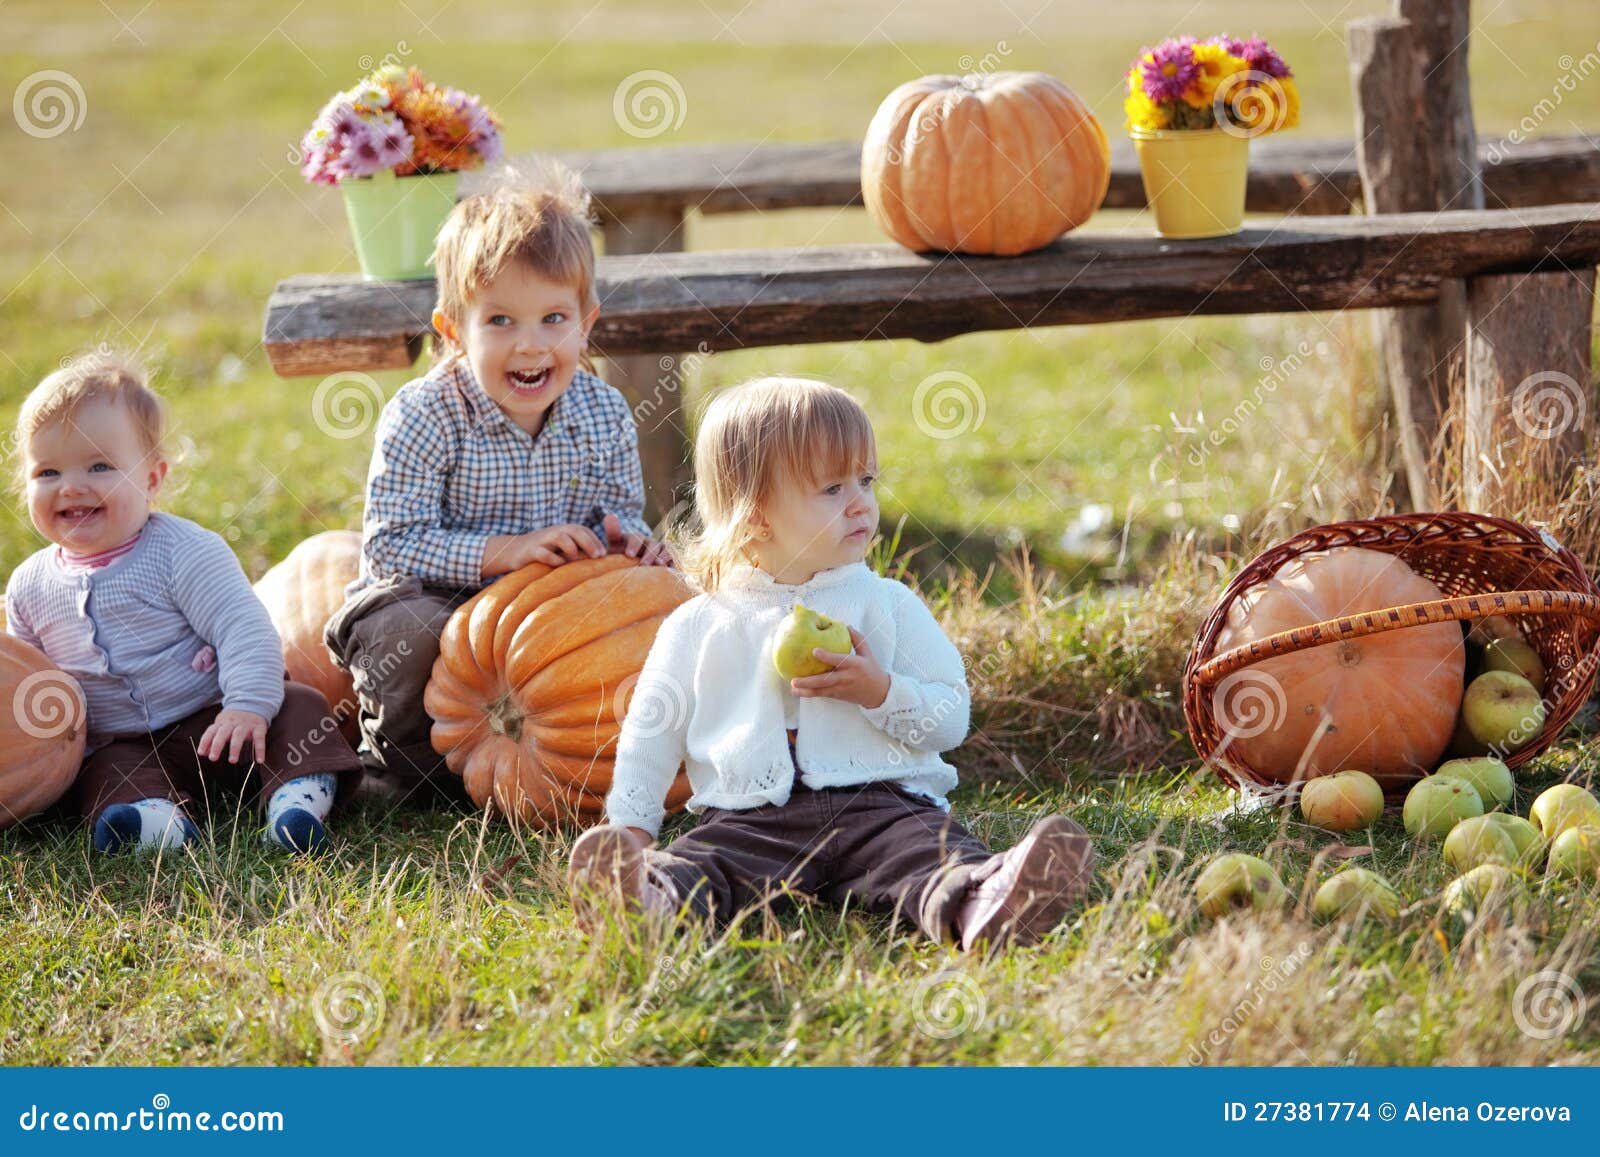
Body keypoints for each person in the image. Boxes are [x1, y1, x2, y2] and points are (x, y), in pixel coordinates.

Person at [568, 376, 1096, 953]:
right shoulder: (700, 624)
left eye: (866, 480)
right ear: (757, 515)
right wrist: (633, 829)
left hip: (881, 804)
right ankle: (645, 899)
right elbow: (652, 734)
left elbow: (950, 716)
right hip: (752, 815)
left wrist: (881, 692)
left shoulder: (886, 604)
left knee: (930, 854)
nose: (860, 502)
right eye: (831, 487)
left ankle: (984, 904)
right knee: (707, 865)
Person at [324, 160, 672, 805]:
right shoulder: (426, 413)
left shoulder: (602, 413)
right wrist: (504, 552)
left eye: (553, 319)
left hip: (538, 624)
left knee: (643, 626)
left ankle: (543, 760)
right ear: (454, 331)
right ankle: (400, 771)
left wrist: (633, 549)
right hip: (428, 599)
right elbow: (391, 545)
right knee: (410, 634)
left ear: (586, 321)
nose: (531, 345)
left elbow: (618, 521)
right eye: (501, 322)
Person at [5, 350, 361, 854]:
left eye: (100, 465)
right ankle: (156, 823)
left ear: (152, 479)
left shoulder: (182, 551)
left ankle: (295, 801)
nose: (72, 486)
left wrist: (246, 707)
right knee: (105, 775)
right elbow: (21, 677)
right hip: (121, 743)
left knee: (302, 708)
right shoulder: (29, 586)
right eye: (47, 473)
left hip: (218, 719)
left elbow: (244, 627)